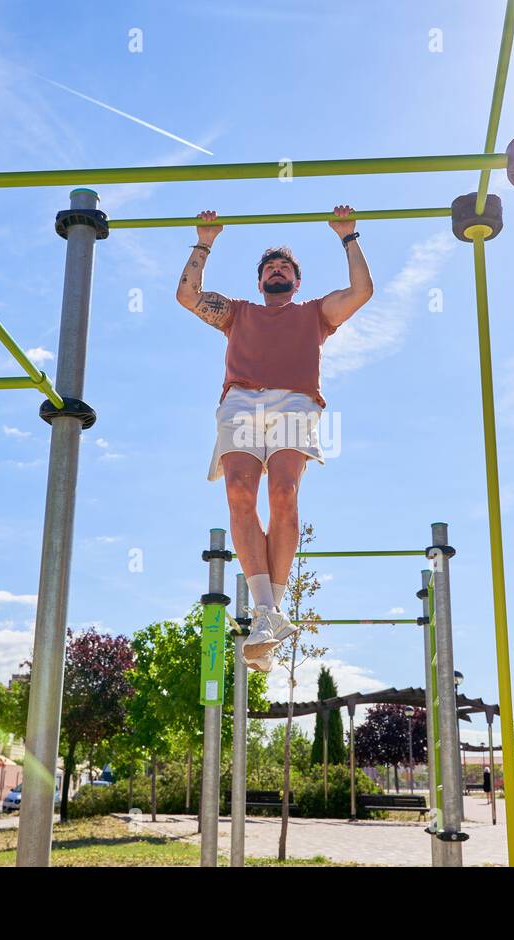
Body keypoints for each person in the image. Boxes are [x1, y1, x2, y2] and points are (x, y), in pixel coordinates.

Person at [177, 206, 373, 672]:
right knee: (240, 492)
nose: (277, 270)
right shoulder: (237, 313)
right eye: (269, 267)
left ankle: (269, 611)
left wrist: (348, 236)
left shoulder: (314, 314)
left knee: (282, 493)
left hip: (294, 402)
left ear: (297, 281)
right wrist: (204, 241)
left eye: (285, 266)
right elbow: (188, 296)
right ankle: (268, 614)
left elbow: (362, 291)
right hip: (242, 401)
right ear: (260, 280)